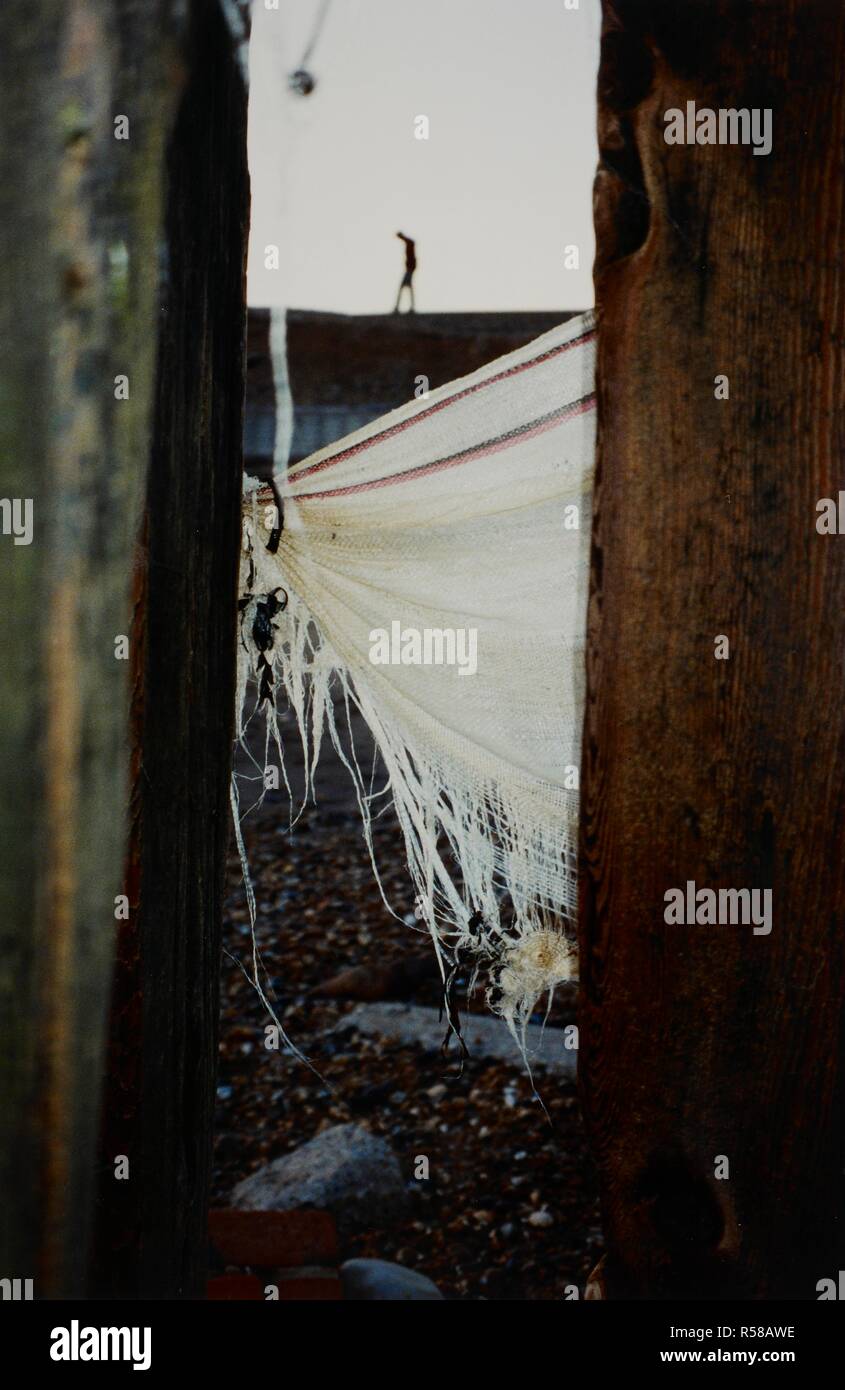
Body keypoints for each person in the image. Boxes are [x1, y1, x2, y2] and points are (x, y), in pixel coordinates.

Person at [394, 232, 417, 313]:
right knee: (408, 288)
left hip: (409, 269)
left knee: (403, 287)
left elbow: (412, 242)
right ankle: (411, 307)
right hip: (409, 269)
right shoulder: (408, 243)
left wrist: (410, 269)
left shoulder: (409, 243)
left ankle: (399, 307)